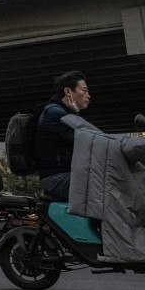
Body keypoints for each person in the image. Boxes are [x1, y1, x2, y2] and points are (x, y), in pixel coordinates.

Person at [34, 71, 91, 201]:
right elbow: (87, 138)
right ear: (68, 91)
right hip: (55, 178)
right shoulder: (55, 113)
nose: (88, 96)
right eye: (84, 91)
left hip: (64, 174)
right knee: (102, 183)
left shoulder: (65, 113)